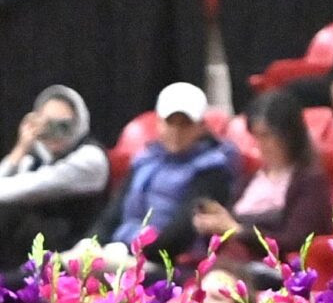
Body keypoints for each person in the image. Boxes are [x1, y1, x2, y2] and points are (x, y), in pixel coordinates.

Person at [0, 84, 108, 268]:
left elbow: (38, 184)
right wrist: (21, 148)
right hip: (31, 242)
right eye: (47, 125)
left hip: (72, 241)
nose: (56, 133)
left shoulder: (90, 157)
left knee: (9, 207)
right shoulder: (36, 158)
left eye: (63, 126)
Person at [192, 87, 333, 282]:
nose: (260, 144)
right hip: (232, 264)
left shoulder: (310, 181)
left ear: (289, 136)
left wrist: (237, 231)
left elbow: (297, 240)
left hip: (277, 271)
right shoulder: (250, 179)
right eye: (256, 136)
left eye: (267, 136)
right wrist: (213, 224)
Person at [94, 82, 240, 266]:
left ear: (201, 126)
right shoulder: (144, 160)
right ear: (158, 123)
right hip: (120, 250)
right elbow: (114, 212)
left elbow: (182, 233)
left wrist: (133, 252)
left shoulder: (213, 170)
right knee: (69, 262)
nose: (176, 131)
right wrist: (93, 243)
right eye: (170, 122)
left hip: (165, 263)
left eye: (185, 124)